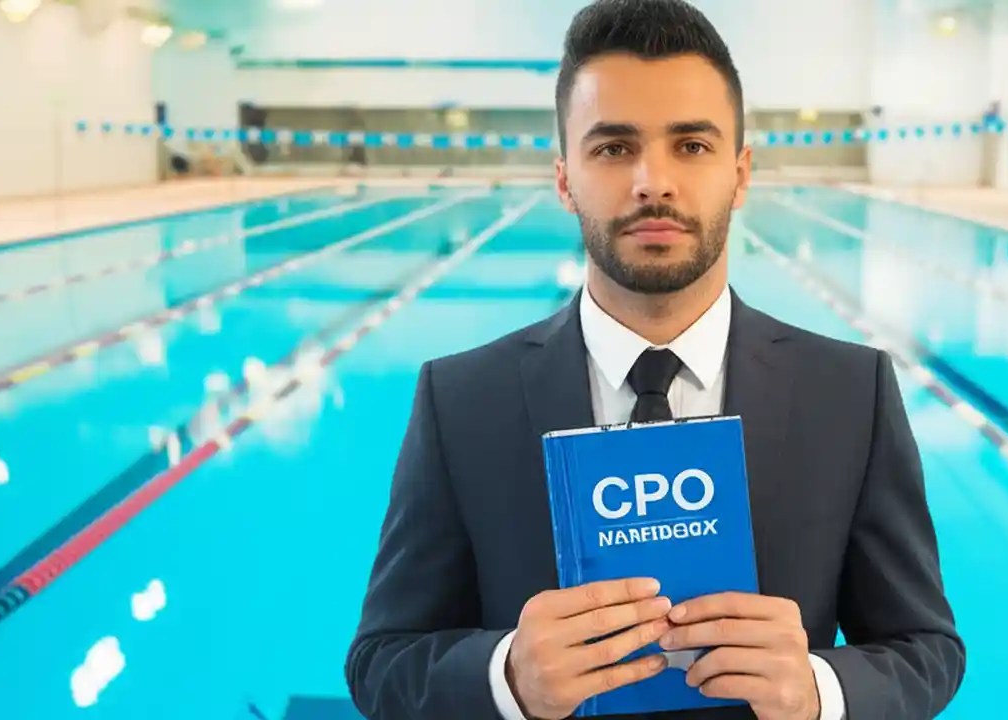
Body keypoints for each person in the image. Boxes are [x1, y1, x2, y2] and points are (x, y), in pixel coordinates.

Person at [344, 1, 965, 718]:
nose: (653, 182)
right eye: (612, 148)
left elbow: (927, 648)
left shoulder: (850, 394)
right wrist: (505, 678)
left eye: (691, 146)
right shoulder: (461, 401)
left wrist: (818, 690)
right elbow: (381, 662)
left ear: (740, 173)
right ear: (564, 179)